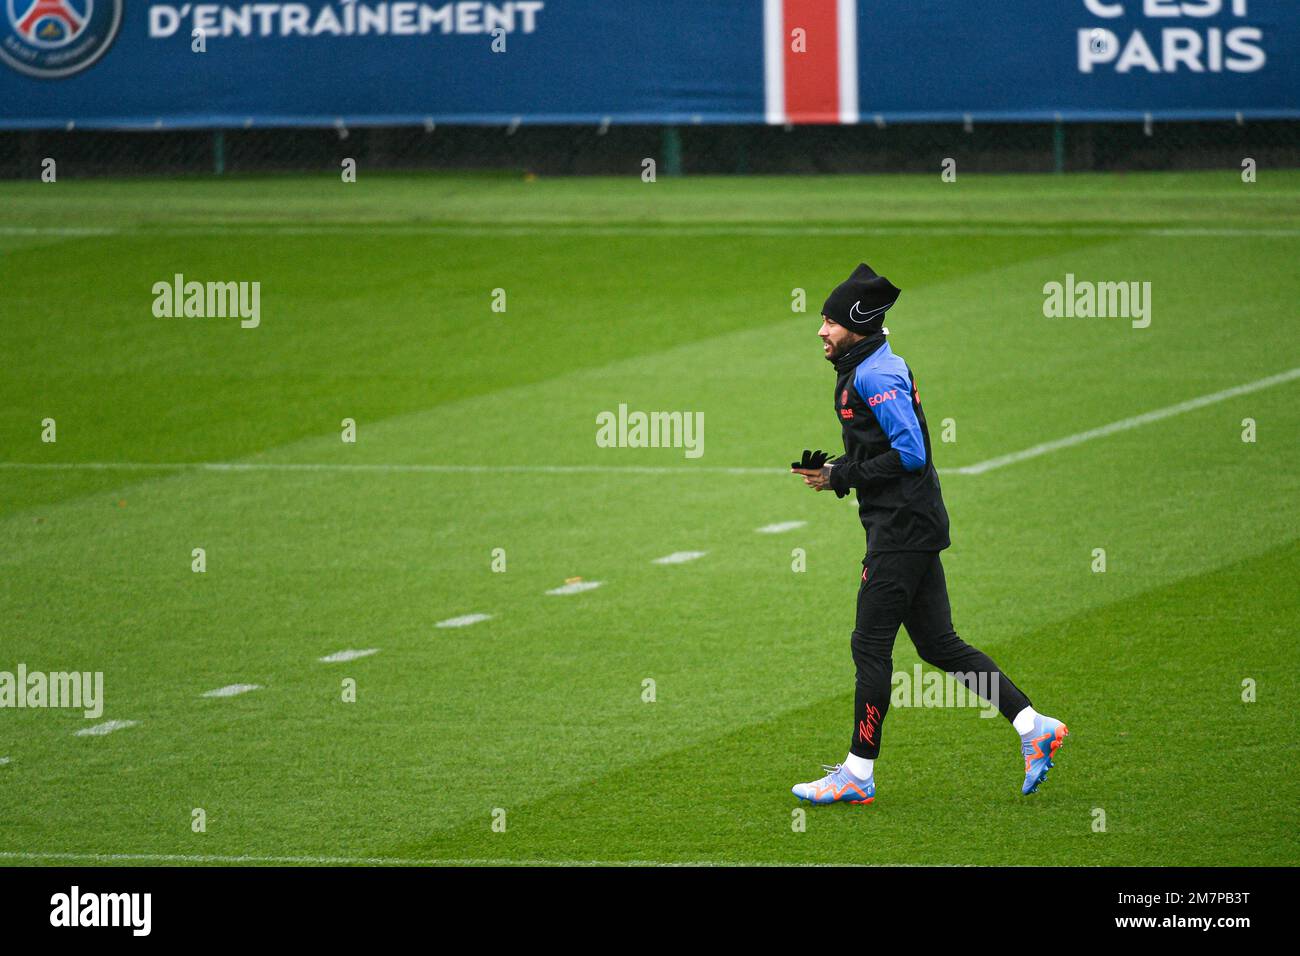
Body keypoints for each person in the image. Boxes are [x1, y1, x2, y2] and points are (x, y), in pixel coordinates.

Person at [789, 263, 1067, 805]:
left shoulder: (875, 375)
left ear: (857, 325)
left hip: (901, 531)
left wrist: (846, 474)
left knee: (870, 646)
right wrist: (837, 473)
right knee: (939, 645)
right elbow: (885, 448)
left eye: (829, 322)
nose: (821, 331)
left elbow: (911, 453)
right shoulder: (867, 365)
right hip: (909, 525)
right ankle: (1033, 726)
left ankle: (857, 773)